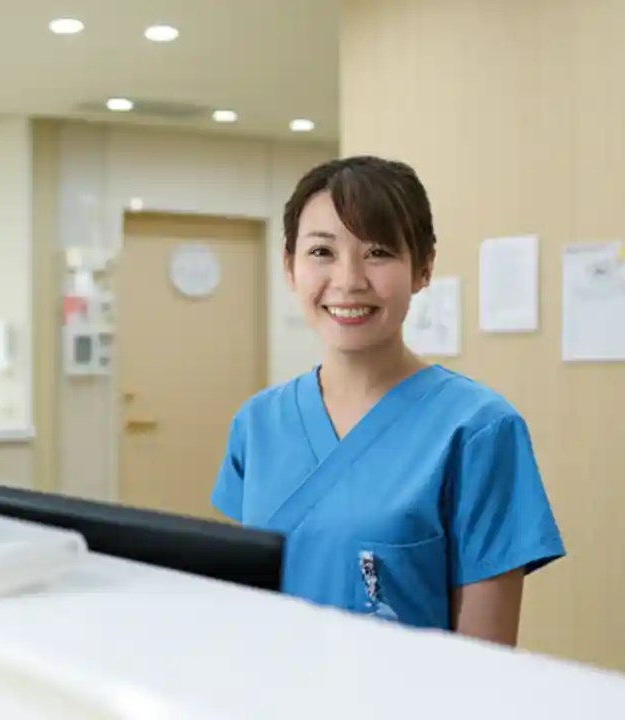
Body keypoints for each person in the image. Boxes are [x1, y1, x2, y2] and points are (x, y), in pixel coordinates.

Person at [210, 155, 565, 646]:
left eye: (378, 252)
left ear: (423, 268)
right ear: (289, 267)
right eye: (321, 253)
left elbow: (486, 662)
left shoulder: (479, 431)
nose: (349, 279)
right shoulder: (257, 424)